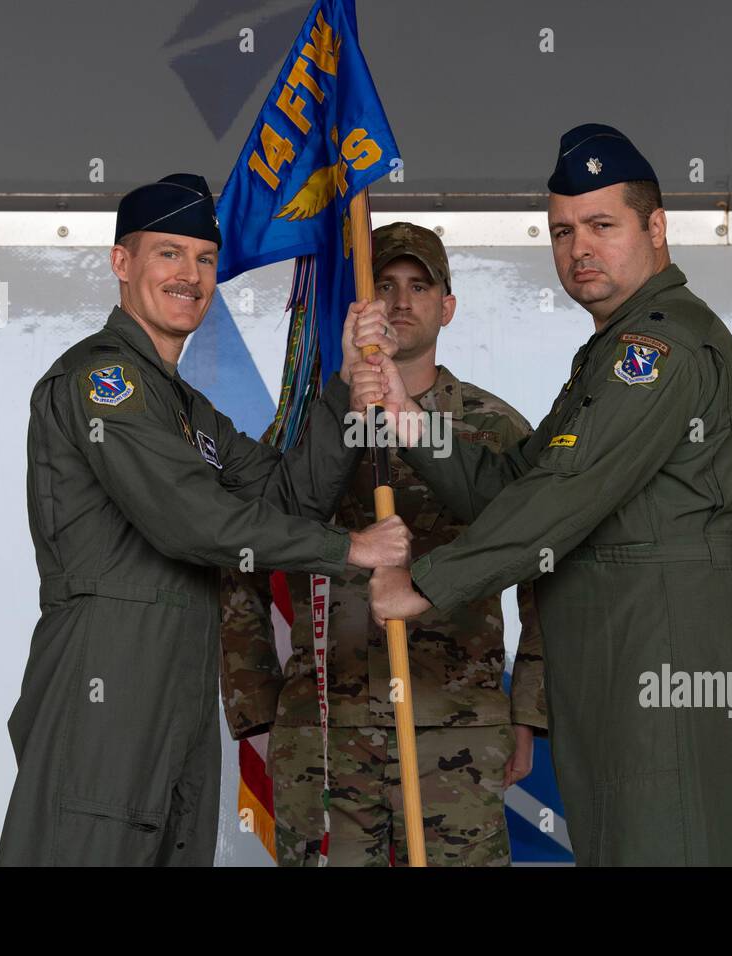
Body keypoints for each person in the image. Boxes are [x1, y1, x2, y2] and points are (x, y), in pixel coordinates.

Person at [364, 126, 732, 866]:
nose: (579, 249)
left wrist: (424, 586)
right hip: (622, 651)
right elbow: (516, 482)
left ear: (655, 228)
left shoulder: (658, 349)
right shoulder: (611, 349)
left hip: (668, 651)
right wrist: (409, 419)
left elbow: (564, 493)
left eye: (601, 226)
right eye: (563, 231)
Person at [0, 173, 410, 866]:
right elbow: (191, 521)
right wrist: (350, 549)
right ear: (122, 263)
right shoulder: (106, 382)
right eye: (168, 253)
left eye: (204, 259)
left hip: (180, 678)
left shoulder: (185, 408)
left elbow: (281, 497)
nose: (190, 275)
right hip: (108, 671)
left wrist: (342, 391)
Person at [220, 222, 547, 866]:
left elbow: (541, 569)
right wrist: (257, 709)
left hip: (455, 719)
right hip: (323, 728)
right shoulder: (306, 428)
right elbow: (244, 555)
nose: (399, 302)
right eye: (384, 286)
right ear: (358, 308)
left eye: (419, 285)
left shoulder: (494, 429)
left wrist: (527, 710)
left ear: (446, 306)